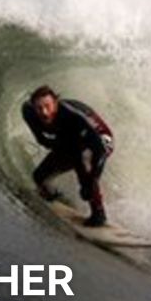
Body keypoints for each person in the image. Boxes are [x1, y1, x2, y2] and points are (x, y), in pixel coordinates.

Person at [21, 85, 113, 227]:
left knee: (85, 172)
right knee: (39, 177)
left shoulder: (73, 115)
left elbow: (99, 151)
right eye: (39, 108)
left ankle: (99, 214)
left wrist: (92, 181)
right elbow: (43, 140)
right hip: (71, 138)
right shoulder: (28, 112)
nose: (44, 112)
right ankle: (54, 196)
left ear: (56, 103)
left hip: (99, 138)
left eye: (48, 106)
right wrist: (60, 148)